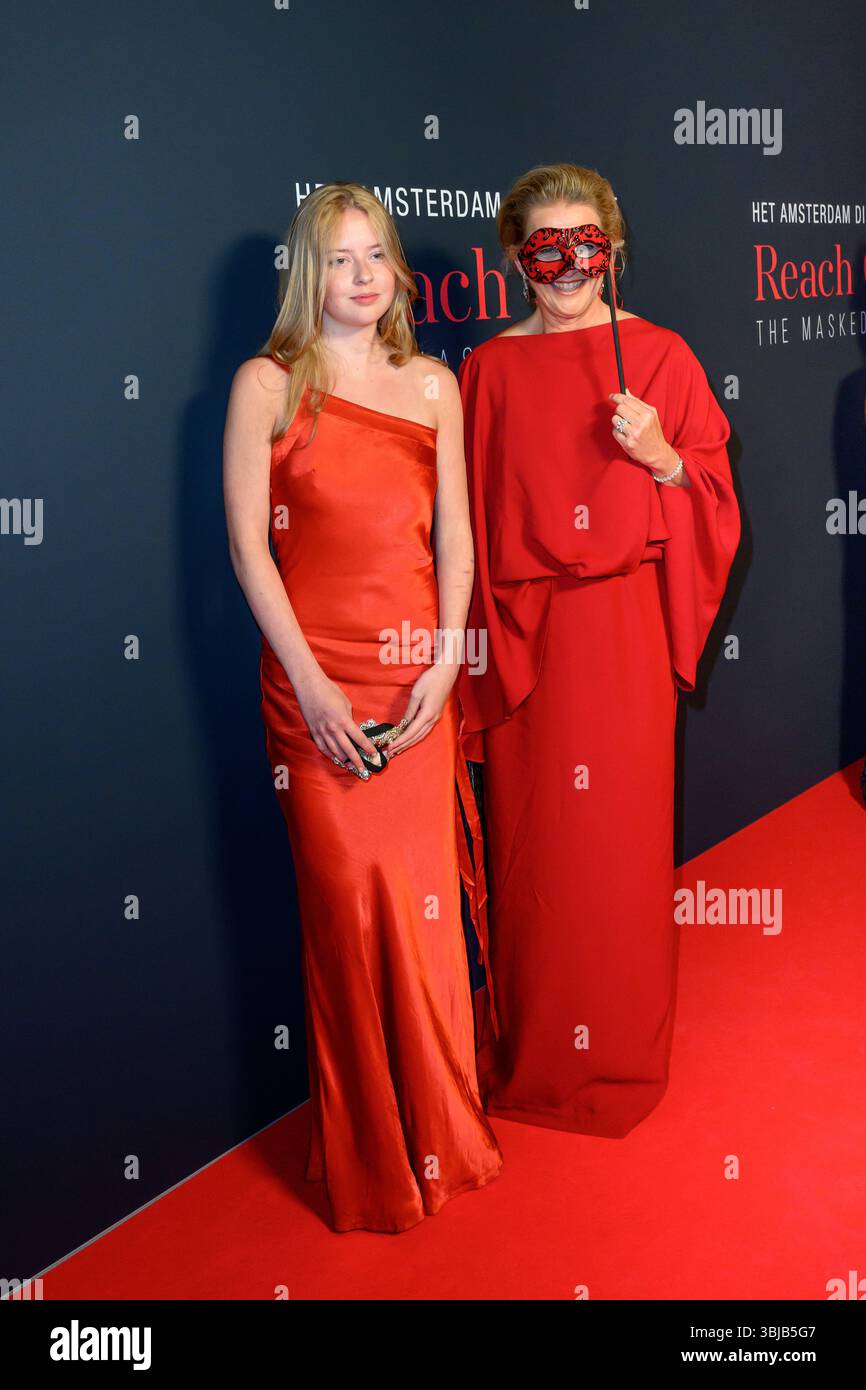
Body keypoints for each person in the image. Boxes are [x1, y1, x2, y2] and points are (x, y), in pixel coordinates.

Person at [222, 182, 502, 1232]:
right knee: (346, 922)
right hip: (314, 687)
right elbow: (250, 548)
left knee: (425, 926)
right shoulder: (267, 383)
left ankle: (442, 1136)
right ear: (308, 270)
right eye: (338, 259)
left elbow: (458, 541)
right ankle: (375, 1161)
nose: (360, 277)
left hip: (414, 678)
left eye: (374, 256)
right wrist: (307, 679)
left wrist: (443, 663)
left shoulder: (435, 385)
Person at [457, 162, 741, 1138]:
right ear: (513, 257)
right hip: (525, 646)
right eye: (545, 246)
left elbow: (711, 497)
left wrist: (662, 458)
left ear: (610, 250)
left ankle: (616, 1049)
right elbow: (460, 531)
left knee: (614, 849)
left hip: (617, 638)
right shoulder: (485, 369)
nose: (567, 263)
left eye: (585, 244)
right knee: (534, 850)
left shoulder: (659, 356)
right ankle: (534, 1051)